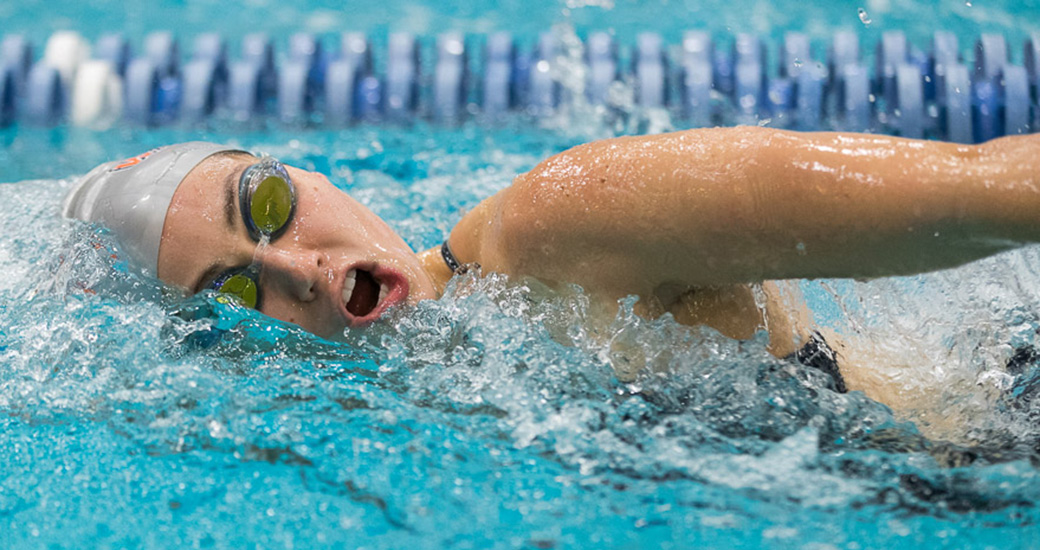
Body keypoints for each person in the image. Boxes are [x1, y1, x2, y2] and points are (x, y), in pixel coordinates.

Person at [62, 126, 1040, 419]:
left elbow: (973, 190)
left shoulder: (563, 223)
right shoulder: (417, 400)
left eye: (267, 207)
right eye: (237, 288)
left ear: (306, 167)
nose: (297, 271)